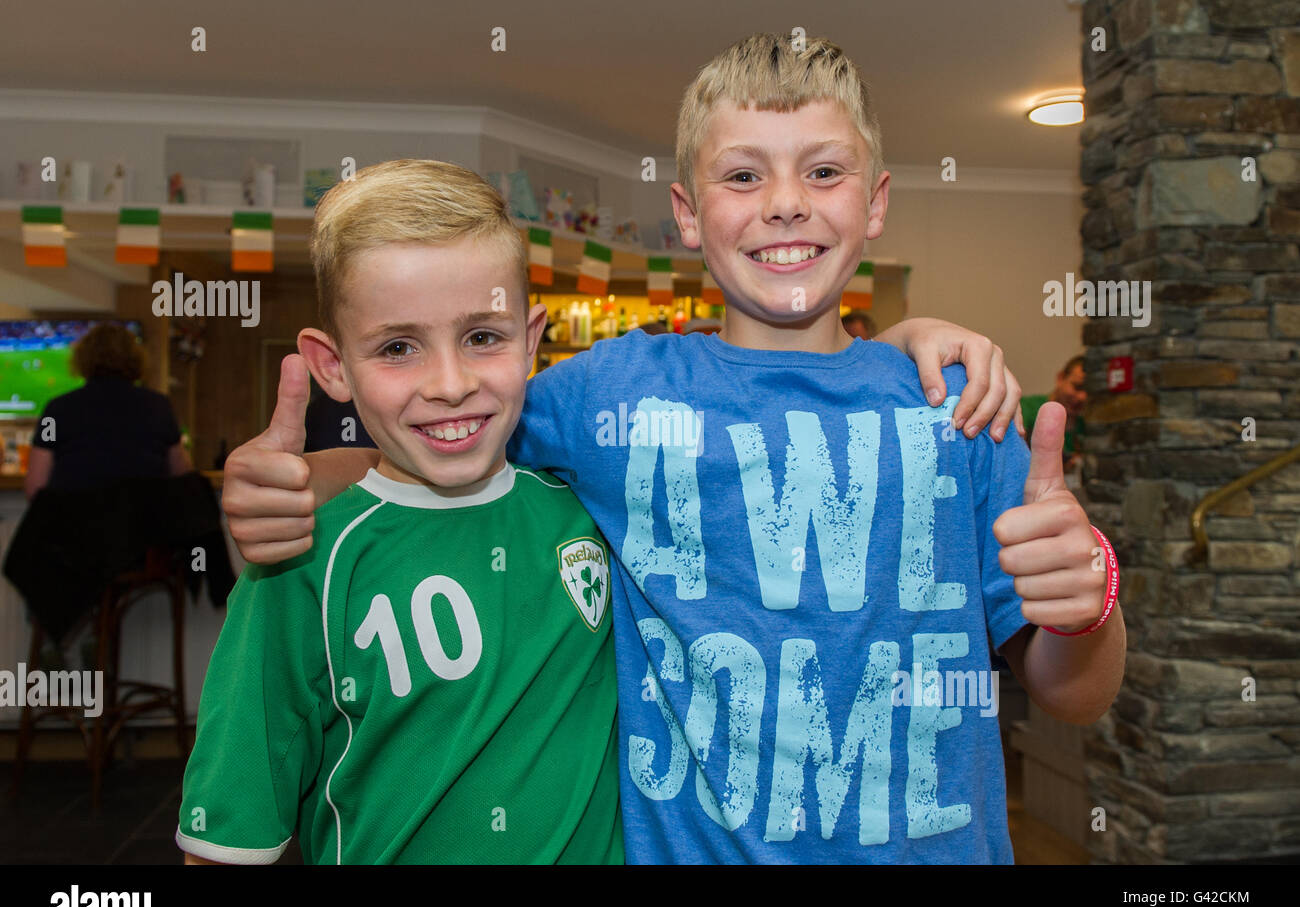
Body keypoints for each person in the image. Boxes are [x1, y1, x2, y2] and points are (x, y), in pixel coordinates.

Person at [219, 33, 1124, 864]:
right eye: (742, 177)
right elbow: (438, 448)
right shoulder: (608, 392)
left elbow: (1073, 692)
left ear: (876, 201)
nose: (783, 204)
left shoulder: (959, 405)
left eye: (823, 171)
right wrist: (292, 486)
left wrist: (1089, 604)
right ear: (687, 214)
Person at [176, 160, 622, 864]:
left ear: (530, 341)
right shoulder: (298, 568)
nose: (451, 384)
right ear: (333, 367)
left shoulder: (593, 510)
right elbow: (224, 842)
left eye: (483, 336)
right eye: (397, 347)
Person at [24, 323, 192, 499]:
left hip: (75, 522)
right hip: (143, 521)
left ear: (83, 358)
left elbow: (35, 486)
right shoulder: (159, 407)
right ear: (136, 358)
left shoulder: (55, 410)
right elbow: (183, 475)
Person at [1021, 354, 1086, 471]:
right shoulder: (1026, 408)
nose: (1082, 397)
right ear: (1061, 378)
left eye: (1088, 391)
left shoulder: (1086, 427)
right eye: (1077, 387)